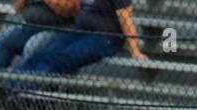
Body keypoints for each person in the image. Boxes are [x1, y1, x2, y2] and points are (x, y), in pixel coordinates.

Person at [9, 0, 147, 92]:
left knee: (57, 59)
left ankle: (21, 91)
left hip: (104, 38)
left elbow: (126, 16)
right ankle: (9, 85)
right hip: (81, 32)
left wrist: (135, 50)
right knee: (43, 54)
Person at [0, 0, 78, 72]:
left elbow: (70, 11)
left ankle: (23, 88)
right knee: (5, 39)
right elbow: (18, 9)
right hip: (33, 26)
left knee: (33, 46)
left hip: (61, 29)